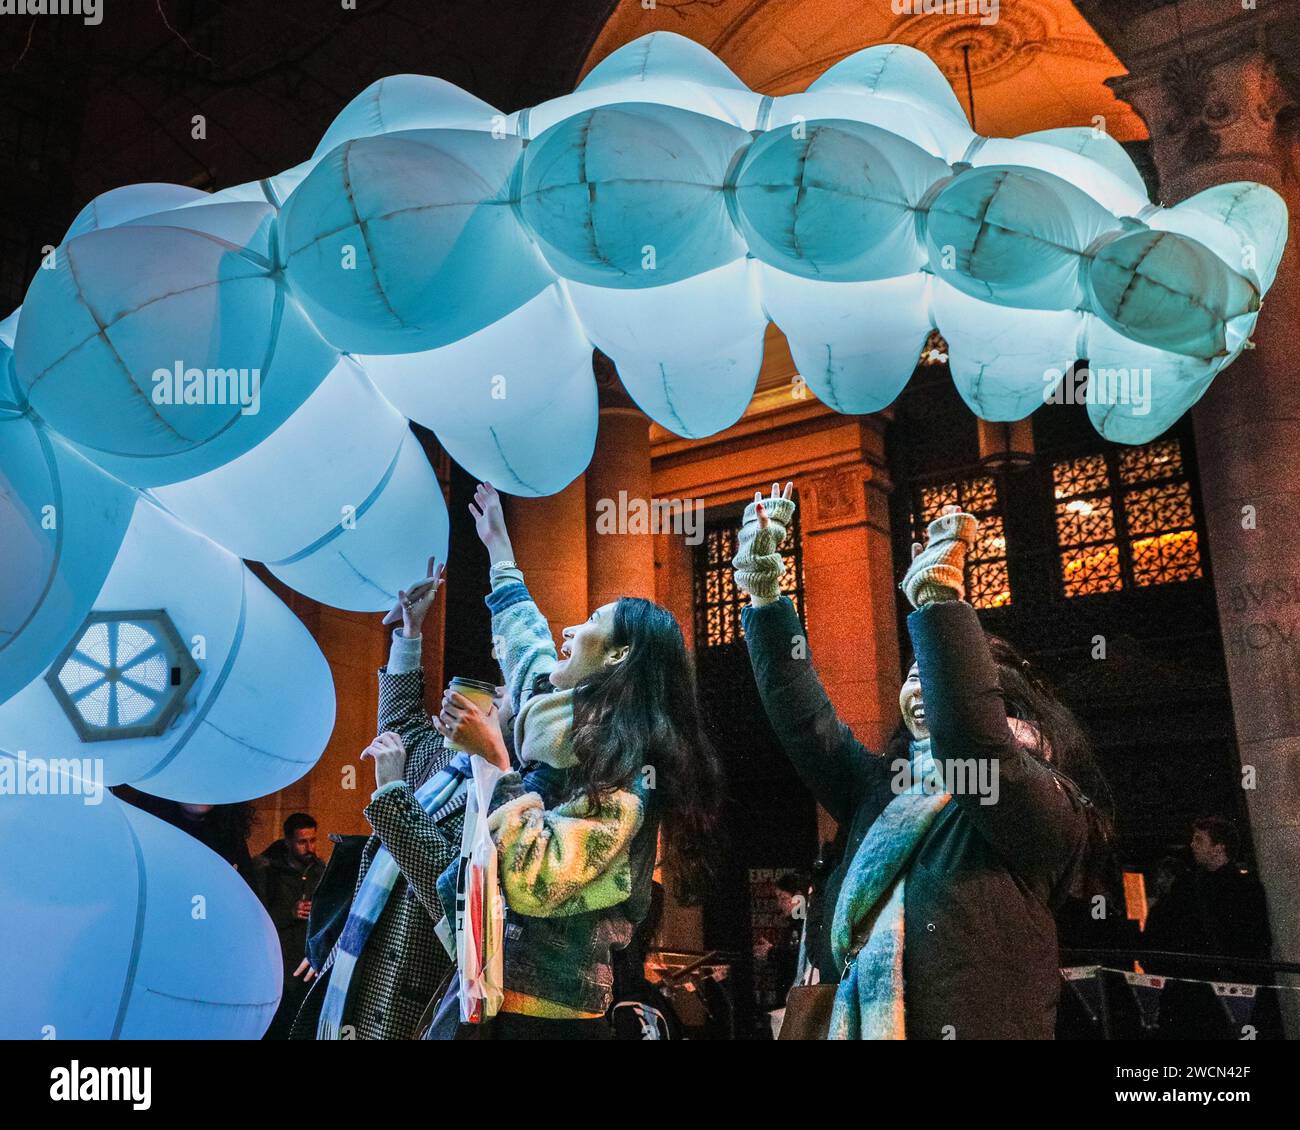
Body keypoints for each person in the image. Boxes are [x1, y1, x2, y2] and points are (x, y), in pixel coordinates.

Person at [736, 483, 1112, 1039]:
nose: (919, 690)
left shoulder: (1044, 801)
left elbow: (970, 743)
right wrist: (766, 599)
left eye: (933, 679)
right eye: (912, 678)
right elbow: (806, 726)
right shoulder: (885, 787)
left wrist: (939, 602)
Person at [429, 481, 725, 1040]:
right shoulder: (554, 717)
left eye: (590, 621)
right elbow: (526, 646)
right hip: (485, 992)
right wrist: (500, 553)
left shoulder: (626, 780)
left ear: (616, 656)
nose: (568, 628)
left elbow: (536, 876)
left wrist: (494, 760)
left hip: (550, 1018)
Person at [291, 558, 485, 1041]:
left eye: (487, 696)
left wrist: (394, 791)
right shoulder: (445, 763)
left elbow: (449, 894)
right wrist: (411, 633)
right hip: (360, 963)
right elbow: (401, 720)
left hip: (411, 989)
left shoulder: (501, 791)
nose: (456, 698)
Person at [1144, 816, 1272, 983]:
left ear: (1218, 848)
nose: (1192, 844)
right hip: (1216, 979)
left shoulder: (1190, 887)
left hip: (1204, 979)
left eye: (1199, 840)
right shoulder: (1243, 887)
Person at [250, 813, 326, 1039]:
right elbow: (256, 921)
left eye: (313, 840)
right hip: (278, 968)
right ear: (288, 842)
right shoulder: (266, 872)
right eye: (302, 842)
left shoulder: (319, 871)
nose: (309, 847)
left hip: (307, 967)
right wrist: (289, 913)